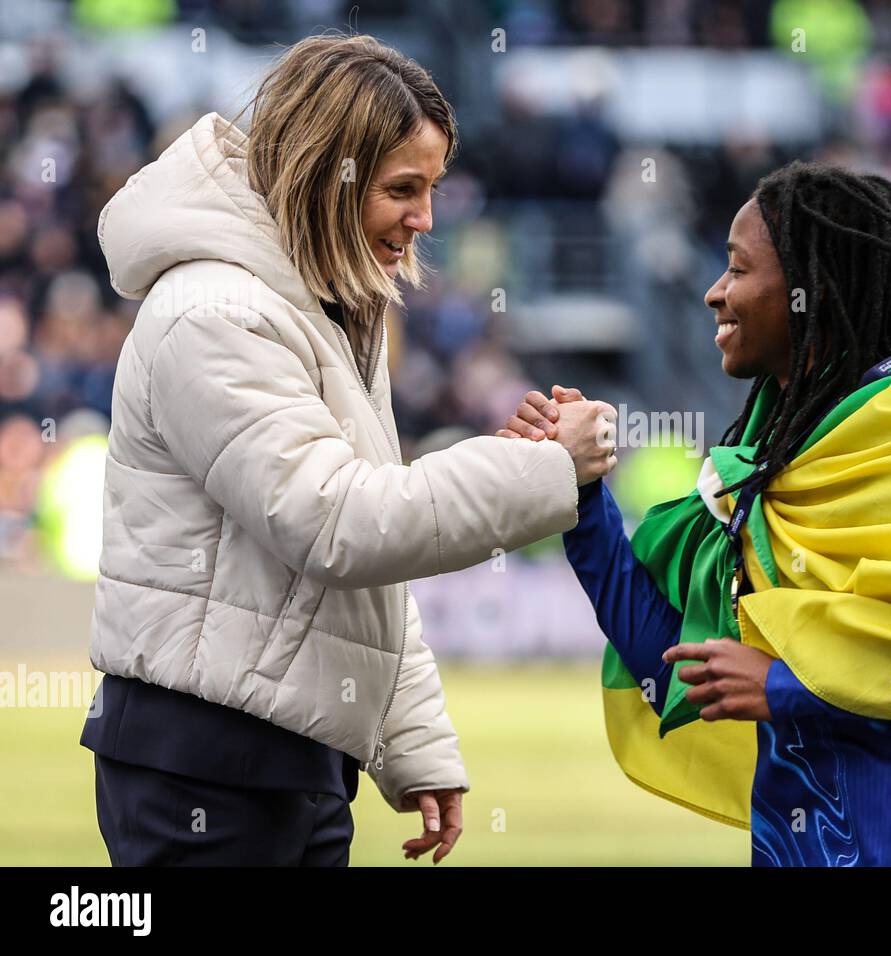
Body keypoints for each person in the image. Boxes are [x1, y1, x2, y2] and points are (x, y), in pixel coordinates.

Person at [82, 33, 616, 866]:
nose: (425, 219)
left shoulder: (314, 307)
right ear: (325, 172)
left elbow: (358, 575)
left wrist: (414, 745)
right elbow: (337, 525)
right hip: (205, 762)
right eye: (403, 188)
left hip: (285, 754)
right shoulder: (217, 310)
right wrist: (543, 470)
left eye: (431, 189)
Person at [501, 161, 891, 866]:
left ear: (809, 292)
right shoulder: (767, 476)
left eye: (737, 268)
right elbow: (677, 676)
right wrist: (579, 492)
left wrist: (785, 685)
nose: (714, 292)